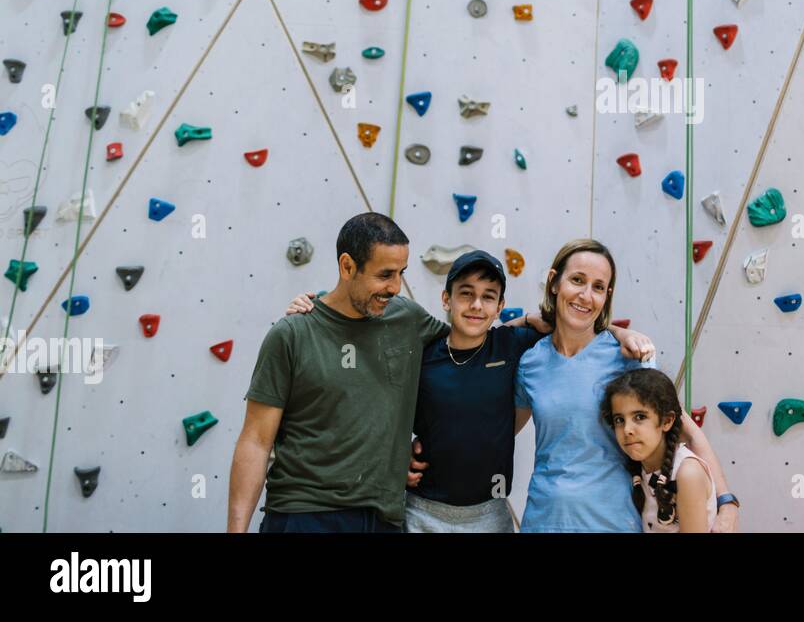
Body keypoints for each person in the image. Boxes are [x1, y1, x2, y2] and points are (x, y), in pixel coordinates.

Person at [287, 248, 654, 532]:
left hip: (490, 514)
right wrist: (315, 304)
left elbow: (574, 326)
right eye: (465, 294)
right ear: (446, 300)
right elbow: (370, 396)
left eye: (489, 296)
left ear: (500, 308)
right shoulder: (420, 350)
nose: (476, 305)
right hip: (420, 513)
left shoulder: (516, 346)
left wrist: (624, 333)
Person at [227, 212, 448, 533]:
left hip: (383, 518)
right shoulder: (292, 333)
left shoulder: (408, 320)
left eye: (401, 273)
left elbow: (470, 351)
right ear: (347, 266)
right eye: (385, 274)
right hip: (304, 514)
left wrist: (529, 327)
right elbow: (256, 441)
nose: (396, 287)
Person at [512, 238, 740, 532]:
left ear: (607, 295)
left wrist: (727, 502)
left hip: (612, 521)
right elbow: (500, 434)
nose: (585, 295)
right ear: (554, 282)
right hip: (544, 520)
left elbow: (686, 430)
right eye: (577, 280)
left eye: (598, 287)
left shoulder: (628, 356)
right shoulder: (530, 362)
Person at [602, 367, 716, 532]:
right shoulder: (637, 469)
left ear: (667, 421)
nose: (627, 429)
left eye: (639, 417)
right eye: (619, 419)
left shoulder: (687, 472)